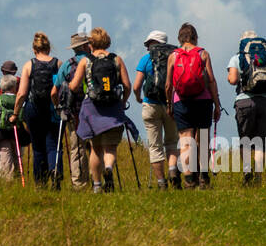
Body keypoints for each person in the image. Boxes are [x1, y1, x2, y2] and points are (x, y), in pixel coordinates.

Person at [67, 27, 133, 193]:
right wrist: (123, 101)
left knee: (95, 149)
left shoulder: (85, 61)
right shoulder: (116, 59)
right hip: (113, 107)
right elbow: (127, 85)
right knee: (110, 147)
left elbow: (74, 86)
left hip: (92, 108)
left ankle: (97, 186)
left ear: (90, 44)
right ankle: (109, 168)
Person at [164, 23, 221, 189]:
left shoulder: (173, 56)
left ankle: (189, 180)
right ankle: (204, 178)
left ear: (180, 38)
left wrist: (169, 104)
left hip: (181, 101)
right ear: (195, 37)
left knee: (186, 140)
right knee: (203, 139)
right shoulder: (203, 53)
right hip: (203, 101)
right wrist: (216, 105)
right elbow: (211, 80)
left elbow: (168, 85)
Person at [227, 30, 266, 185]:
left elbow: (232, 80)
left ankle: (247, 172)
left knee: (245, 140)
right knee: (261, 143)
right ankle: (258, 177)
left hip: (245, 102)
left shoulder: (237, 57)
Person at [132, 30, 180, 190]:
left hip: (150, 105)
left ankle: (161, 183)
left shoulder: (145, 59)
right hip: (170, 105)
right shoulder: (175, 57)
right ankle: (173, 170)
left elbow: (136, 86)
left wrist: (139, 98)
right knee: (172, 142)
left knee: (155, 146)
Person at [15, 34, 60, 188]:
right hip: (52, 108)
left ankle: (40, 183)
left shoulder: (29, 65)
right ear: (48, 47)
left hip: (33, 109)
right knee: (53, 145)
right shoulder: (58, 64)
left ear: (34, 49)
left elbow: (21, 93)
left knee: (38, 147)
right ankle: (55, 171)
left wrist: (15, 113)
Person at [53, 33, 92, 190]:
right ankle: (98, 179)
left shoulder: (67, 65)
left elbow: (53, 92)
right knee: (98, 146)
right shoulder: (93, 61)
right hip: (95, 110)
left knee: (77, 147)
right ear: (84, 46)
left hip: (74, 112)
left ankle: (79, 183)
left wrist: (58, 107)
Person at [0, 74, 27, 180]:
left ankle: (8, 179)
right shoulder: (20, 100)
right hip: (17, 131)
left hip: (1, 132)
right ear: (14, 86)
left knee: (5, 154)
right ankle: (18, 177)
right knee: (17, 155)